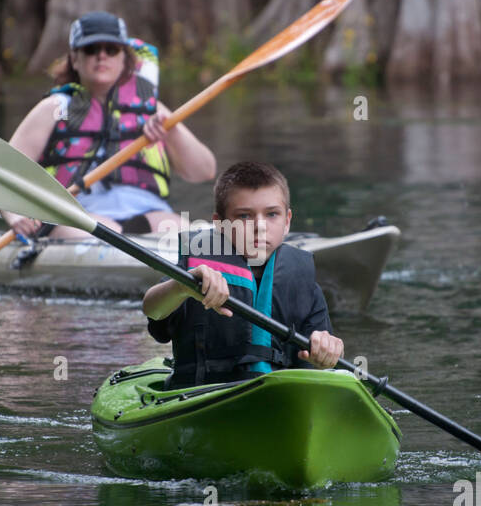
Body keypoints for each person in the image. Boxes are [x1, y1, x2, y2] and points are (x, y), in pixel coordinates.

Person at [0, 11, 216, 241]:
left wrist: (172, 131)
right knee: (102, 232)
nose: (101, 56)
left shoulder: (153, 110)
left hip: (147, 210)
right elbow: (2, 172)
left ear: (124, 58)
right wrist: (14, 216)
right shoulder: (53, 109)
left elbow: (204, 171)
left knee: (189, 234)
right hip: (78, 214)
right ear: (75, 59)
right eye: (91, 49)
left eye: (111, 50)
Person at [142, 161, 344, 389]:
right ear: (220, 224)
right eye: (245, 216)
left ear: (287, 221)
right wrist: (182, 287)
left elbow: (321, 358)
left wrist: (328, 349)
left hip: (279, 399)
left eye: (272, 214)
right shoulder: (195, 273)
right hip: (201, 399)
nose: (260, 226)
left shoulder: (305, 285)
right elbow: (153, 310)